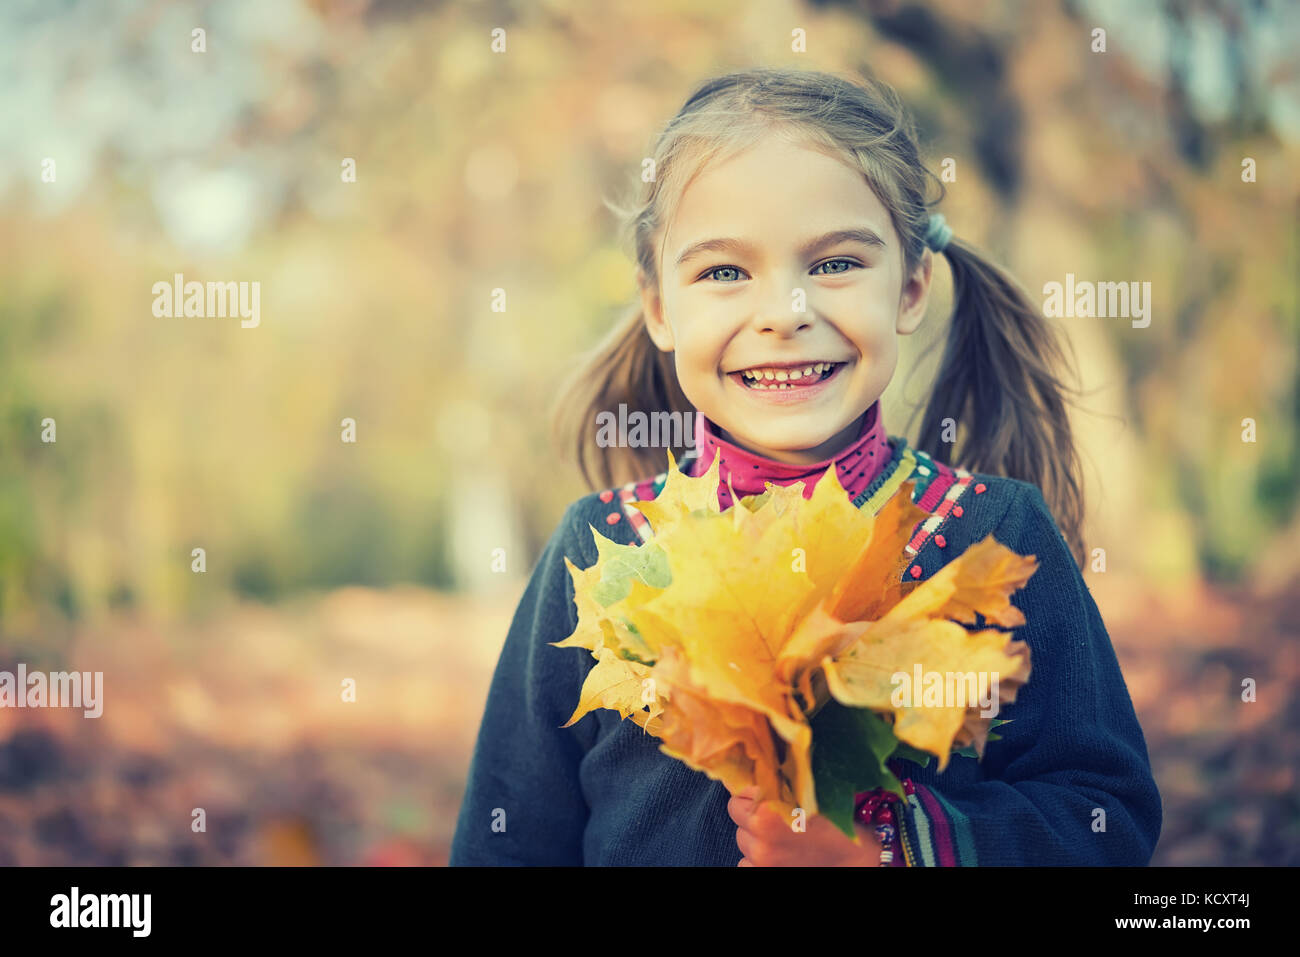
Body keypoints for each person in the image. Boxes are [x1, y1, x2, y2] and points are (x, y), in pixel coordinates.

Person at [449, 67, 1161, 866]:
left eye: (834, 264)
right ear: (659, 307)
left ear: (912, 286)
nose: (786, 313)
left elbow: (1106, 816)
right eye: (724, 272)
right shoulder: (605, 553)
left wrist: (890, 849)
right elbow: (504, 841)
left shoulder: (989, 533)